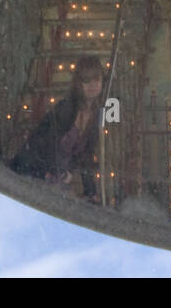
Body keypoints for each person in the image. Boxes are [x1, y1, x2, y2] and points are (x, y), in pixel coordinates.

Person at [10, 54, 104, 201]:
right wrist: (50, 174)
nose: (92, 85)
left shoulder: (98, 114)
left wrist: (91, 192)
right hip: (31, 175)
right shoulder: (65, 109)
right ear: (78, 84)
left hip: (56, 180)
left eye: (96, 79)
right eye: (86, 80)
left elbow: (86, 155)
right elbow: (43, 144)